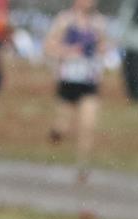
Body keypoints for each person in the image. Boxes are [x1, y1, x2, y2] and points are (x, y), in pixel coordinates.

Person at [44, 0, 110, 182]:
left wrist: (100, 51)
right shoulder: (65, 20)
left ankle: (83, 168)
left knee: (88, 126)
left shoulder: (99, 23)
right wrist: (67, 51)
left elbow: (104, 47)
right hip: (68, 80)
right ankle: (57, 131)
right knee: (63, 126)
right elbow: (49, 46)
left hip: (88, 82)